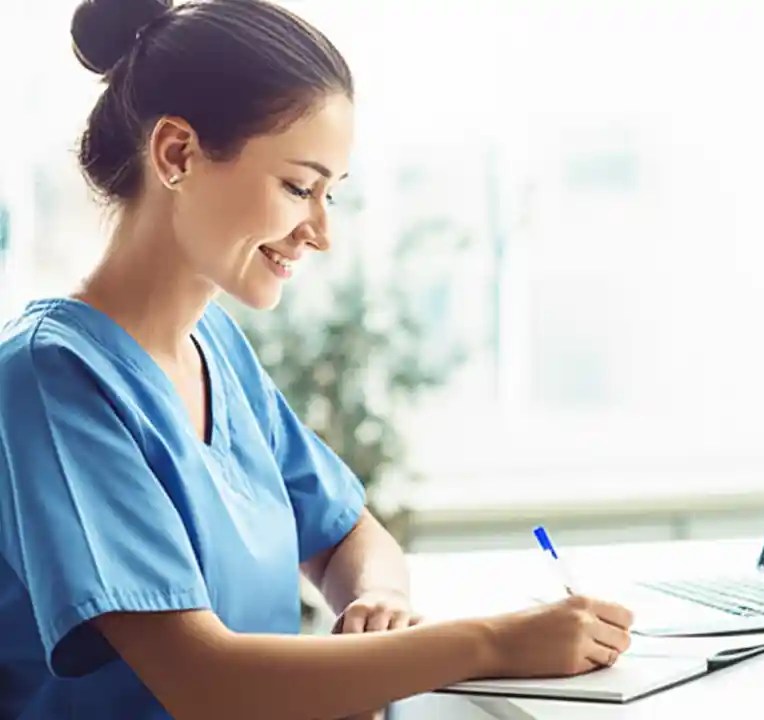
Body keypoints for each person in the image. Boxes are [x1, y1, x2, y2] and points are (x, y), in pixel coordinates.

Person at [0, 0, 634, 717]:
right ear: (177, 153)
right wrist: (492, 643)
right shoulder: (52, 380)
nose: (320, 232)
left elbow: (348, 536)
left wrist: (379, 599)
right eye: (300, 188)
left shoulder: (217, 353)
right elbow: (201, 680)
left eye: (331, 194)